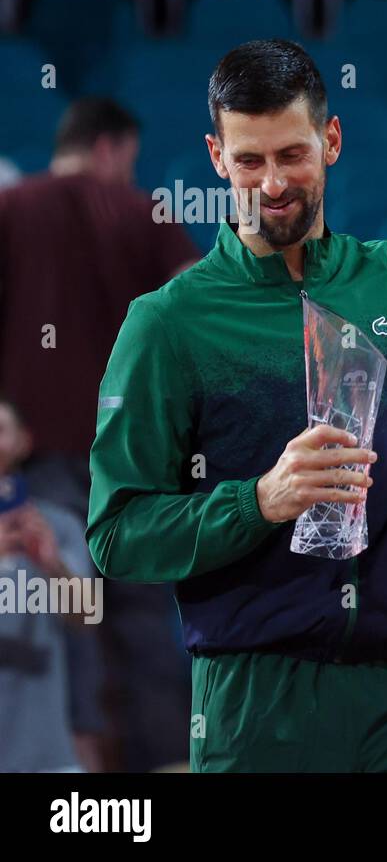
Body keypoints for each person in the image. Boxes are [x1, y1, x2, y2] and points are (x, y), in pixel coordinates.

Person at [86, 39, 387, 773]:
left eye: (292, 154)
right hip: (255, 701)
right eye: (249, 162)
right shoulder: (169, 323)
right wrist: (259, 501)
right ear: (216, 157)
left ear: (331, 140)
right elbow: (116, 533)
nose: (272, 184)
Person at [0, 96, 198, 772]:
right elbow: (195, 305)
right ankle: (165, 764)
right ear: (113, 148)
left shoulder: (12, 207)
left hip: (39, 449)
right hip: (133, 454)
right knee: (142, 620)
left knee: (65, 611)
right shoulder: (146, 212)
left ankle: (78, 762)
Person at [0, 398, 97, 772]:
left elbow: (88, 617)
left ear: (24, 442)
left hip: (45, 754)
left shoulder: (58, 524)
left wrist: (52, 563)